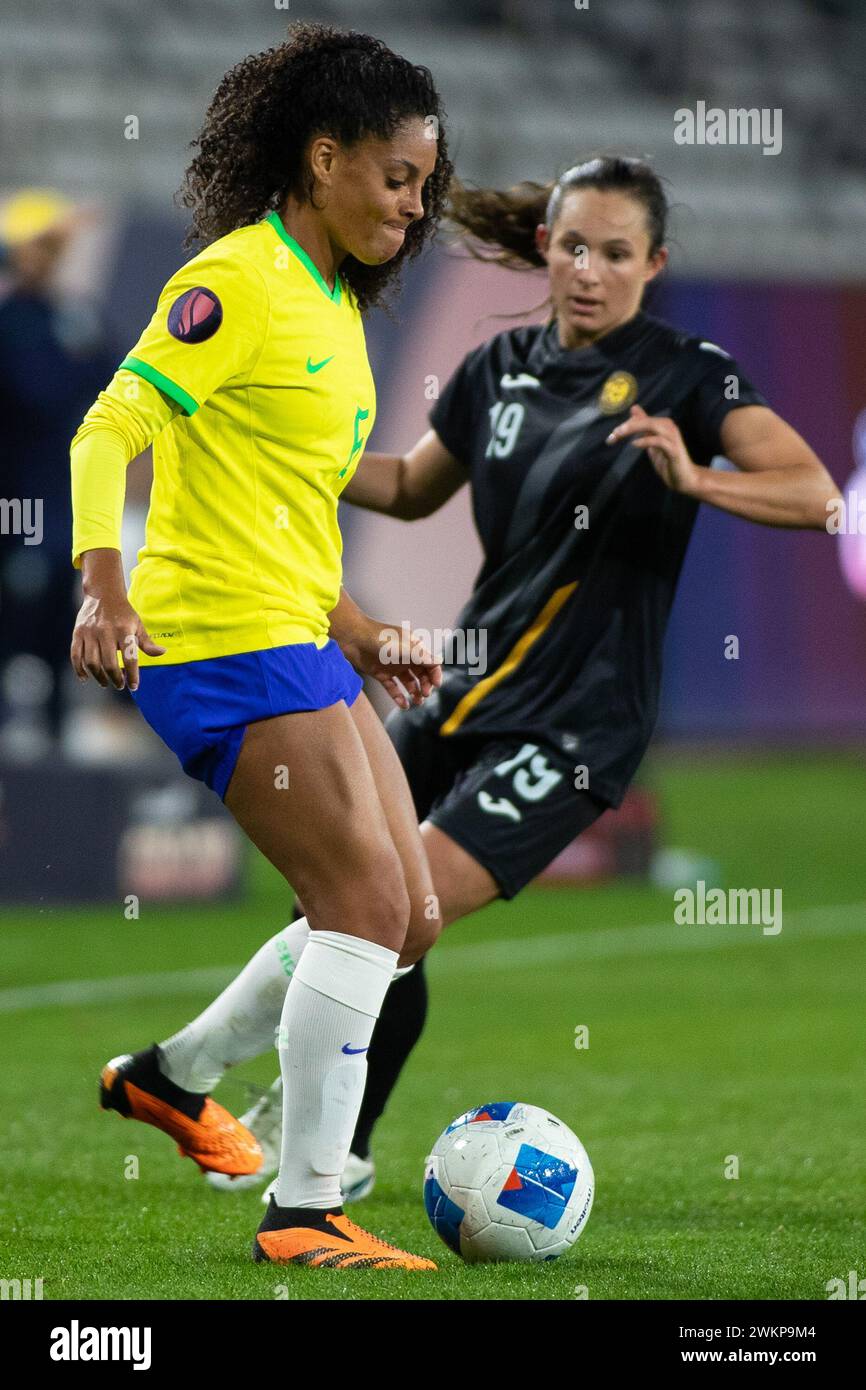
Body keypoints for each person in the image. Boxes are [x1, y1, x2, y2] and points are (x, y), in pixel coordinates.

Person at [107, 156, 839, 1204]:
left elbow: (815, 495)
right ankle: (216, 1094)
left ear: (655, 263)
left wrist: (697, 477)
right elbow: (406, 486)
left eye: (616, 253)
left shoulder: (690, 373)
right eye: (573, 244)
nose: (589, 270)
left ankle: (217, 1090)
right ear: (545, 245)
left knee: (393, 898)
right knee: (370, 903)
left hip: (577, 724)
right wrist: (264, 440)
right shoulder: (498, 364)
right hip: (463, 684)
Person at [69, 23, 454, 1272]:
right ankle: (304, 1207)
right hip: (214, 646)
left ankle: (174, 1079)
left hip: (298, 637)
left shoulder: (334, 301)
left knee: (407, 921)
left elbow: (276, 503)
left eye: (425, 182)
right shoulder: (233, 281)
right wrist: (101, 593)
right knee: (357, 908)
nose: (414, 202)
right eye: (396, 176)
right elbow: (102, 434)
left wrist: (359, 628)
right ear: (322, 155)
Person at [0, 189, 116, 745]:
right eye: (44, 245)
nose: (55, 256)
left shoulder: (68, 315)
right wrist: (79, 358)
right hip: (15, 506)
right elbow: (38, 393)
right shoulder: (13, 321)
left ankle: (50, 757)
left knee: (54, 635)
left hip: (58, 503)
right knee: (13, 618)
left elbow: (118, 382)